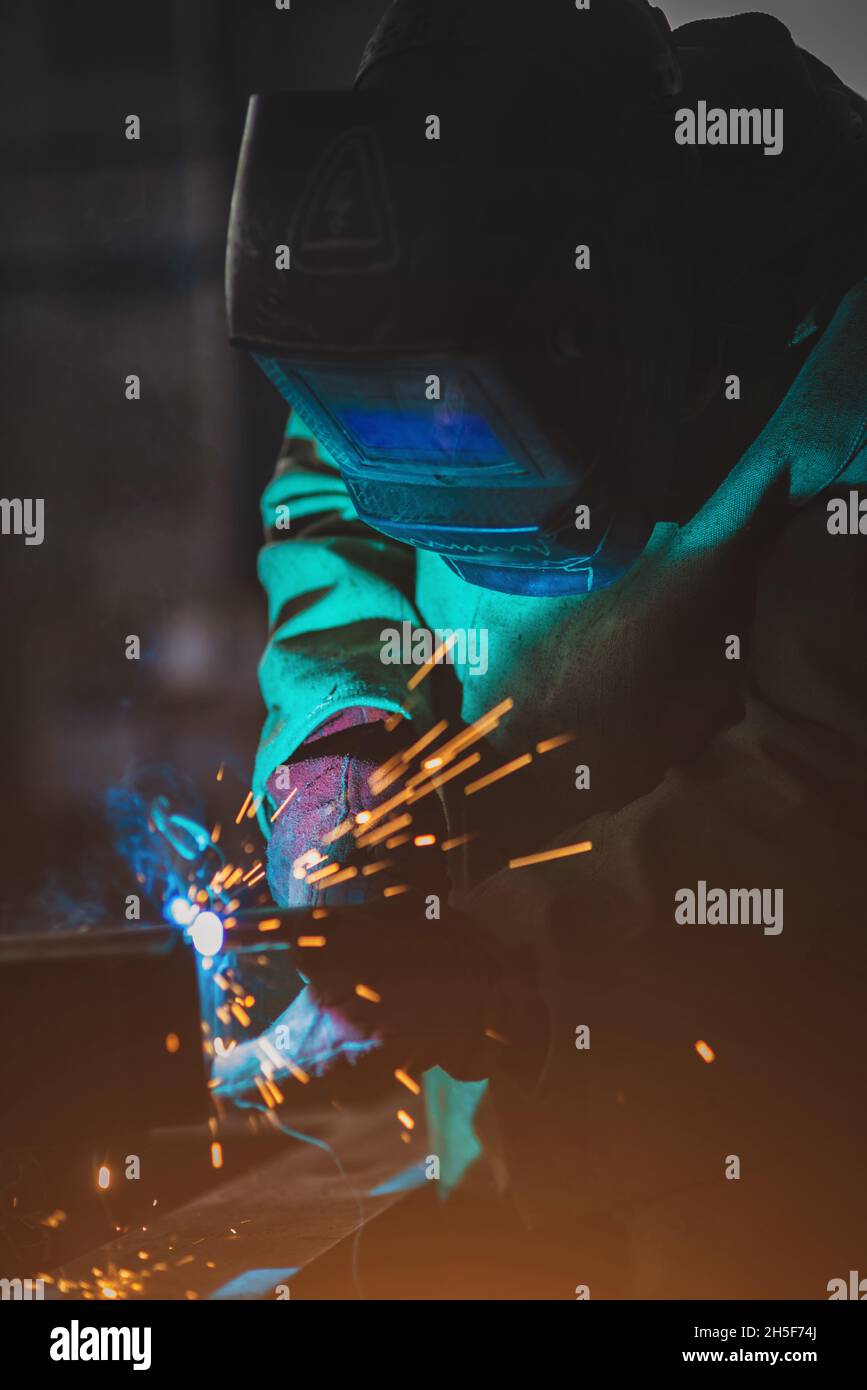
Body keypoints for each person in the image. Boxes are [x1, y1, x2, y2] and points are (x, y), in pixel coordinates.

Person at [219, 0, 867, 1297]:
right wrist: (339, 739)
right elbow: (332, 500)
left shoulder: (840, 353)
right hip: (497, 1118)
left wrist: (502, 965)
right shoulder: (407, 298)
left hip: (785, 1146)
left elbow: (822, 793)